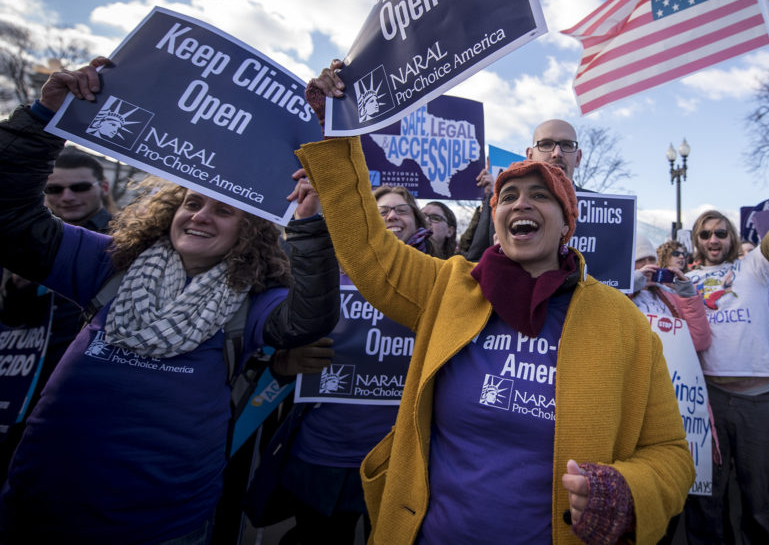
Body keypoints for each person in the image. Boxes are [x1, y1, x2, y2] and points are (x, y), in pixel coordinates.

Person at [298, 61, 694, 544]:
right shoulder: (450, 287)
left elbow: (671, 453)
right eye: (508, 196)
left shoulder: (622, 322)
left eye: (539, 196)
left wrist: (629, 491)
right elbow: (366, 249)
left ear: (567, 223)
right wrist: (338, 134)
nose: (520, 204)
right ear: (497, 217)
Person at [0, 58, 340, 542]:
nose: (200, 217)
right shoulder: (108, 263)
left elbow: (309, 318)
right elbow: (11, 224)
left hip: (163, 524)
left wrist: (309, 221)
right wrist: (40, 120)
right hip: (38, 509)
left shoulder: (254, 300)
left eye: (223, 211)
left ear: (250, 232)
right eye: (192, 203)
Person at [276, 185, 435, 545]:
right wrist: (285, 361)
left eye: (402, 211)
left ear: (418, 222)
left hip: (401, 463)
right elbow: (274, 340)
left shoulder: (440, 283)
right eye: (381, 211)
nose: (392, 216)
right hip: (323, 454)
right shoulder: (328, 275)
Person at [682, 137, 769, 545]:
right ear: (696, 241)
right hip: (709, 401)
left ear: (730, 236)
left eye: (720, 233)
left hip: (760, 404)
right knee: (708, 499)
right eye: (705, 235)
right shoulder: (686, 281)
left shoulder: (755, 267)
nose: (713, 240)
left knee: (757, 500)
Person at [0, 147, 115, 478]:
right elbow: (10, 317)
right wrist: (19, 285)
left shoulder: (128, 238)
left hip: (90, 391)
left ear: (102, 187)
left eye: (79, 187)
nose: (67, 197)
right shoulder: (27, 238)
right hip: (26, 386)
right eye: (54, 189)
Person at [631, 237, 714, 544]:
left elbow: (701, 341)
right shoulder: (615, 296)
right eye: (641, 262)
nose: (649, 267)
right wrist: (632, 283)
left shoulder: (668, 297)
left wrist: (688, 296)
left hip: (678, 403)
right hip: (639, 406)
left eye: (652, 260)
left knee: (680, 494)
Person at [459, 118, 585, 261]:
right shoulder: (497, 202)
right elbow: (475, 260)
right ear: (530, 155)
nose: (557, 153)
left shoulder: (607, 211)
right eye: (545, 144)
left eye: (567, 145)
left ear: (578, 158)